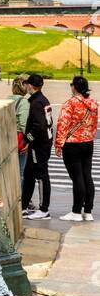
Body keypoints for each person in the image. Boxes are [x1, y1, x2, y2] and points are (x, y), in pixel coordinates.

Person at [56, 76, 98, 222]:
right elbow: (93, 124)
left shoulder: (70, 103)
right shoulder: (93, 103)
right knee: (87, 175)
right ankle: (88, 211)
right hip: (88, 142)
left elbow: (62, 124)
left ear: (74, 87)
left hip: (73, 144)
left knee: (77, 177)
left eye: (71, 85)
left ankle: (75, 211)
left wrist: (58, 144)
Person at [22, 72, 53, 220]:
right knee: (29, 174)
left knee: (41, 175)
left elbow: (39, 126)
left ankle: (44, 209)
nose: (26, 86)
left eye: (27, 84)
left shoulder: (35, 103)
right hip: (45, 142)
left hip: (38, 145)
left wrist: (27, 139)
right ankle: (24, 205)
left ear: (30, 86)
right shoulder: (42, 99)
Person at [12, 75, 30, 183]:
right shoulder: (23, 102)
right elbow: (23, 125)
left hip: (7, 138)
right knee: (21, 172)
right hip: (19, 139)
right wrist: (27, 141)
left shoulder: (7, 99)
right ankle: (21, 198)